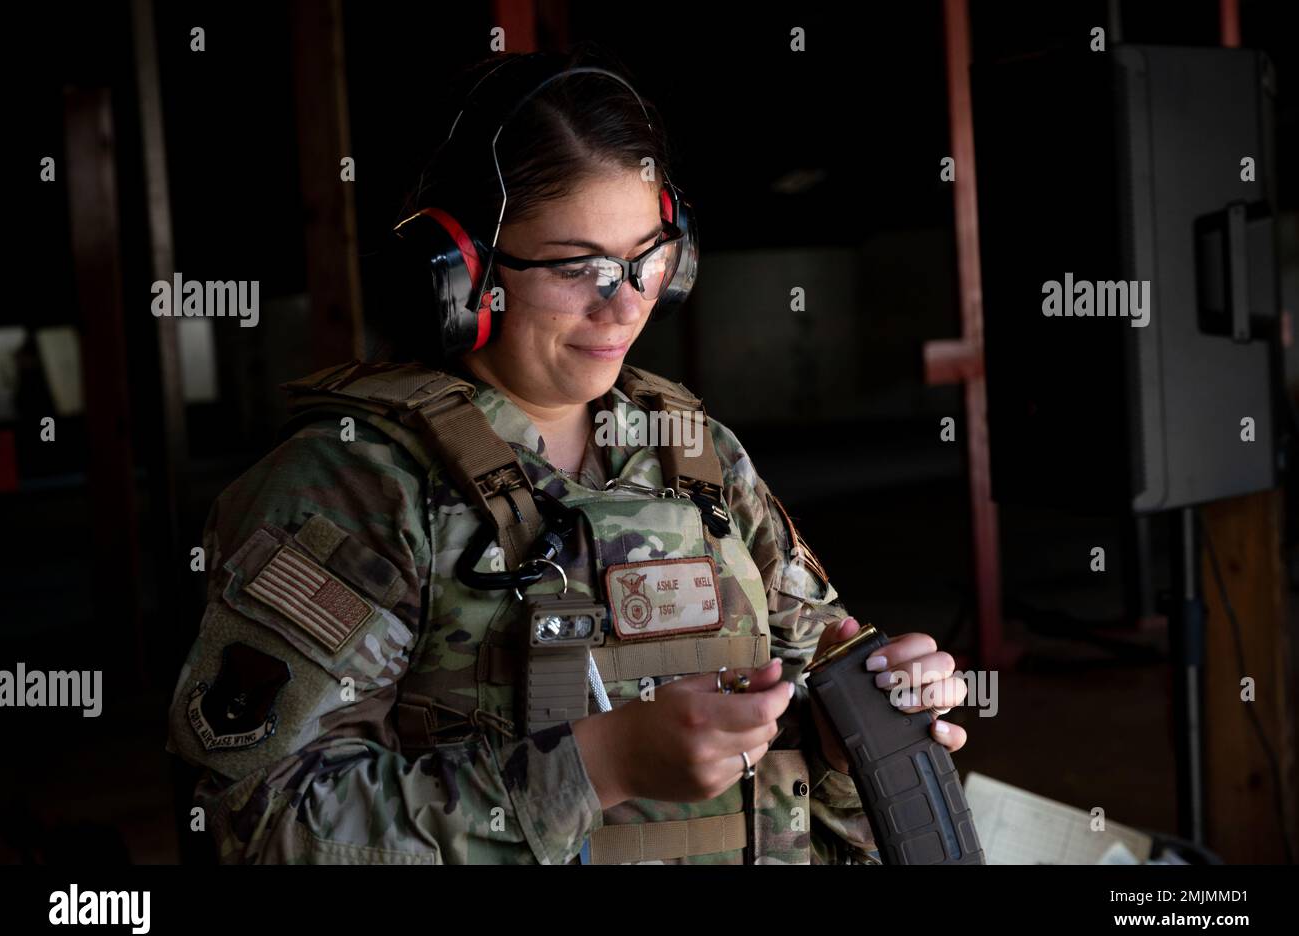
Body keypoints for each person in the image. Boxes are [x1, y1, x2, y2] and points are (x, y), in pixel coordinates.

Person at [166, 47, 969, 865]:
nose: (624, 302)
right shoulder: (355, 484)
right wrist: (599, 767)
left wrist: (851, 735)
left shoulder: (695, 455)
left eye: (648, 255)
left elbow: (811, 721)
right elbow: (256, 824)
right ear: (461, 274)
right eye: (575, 265)